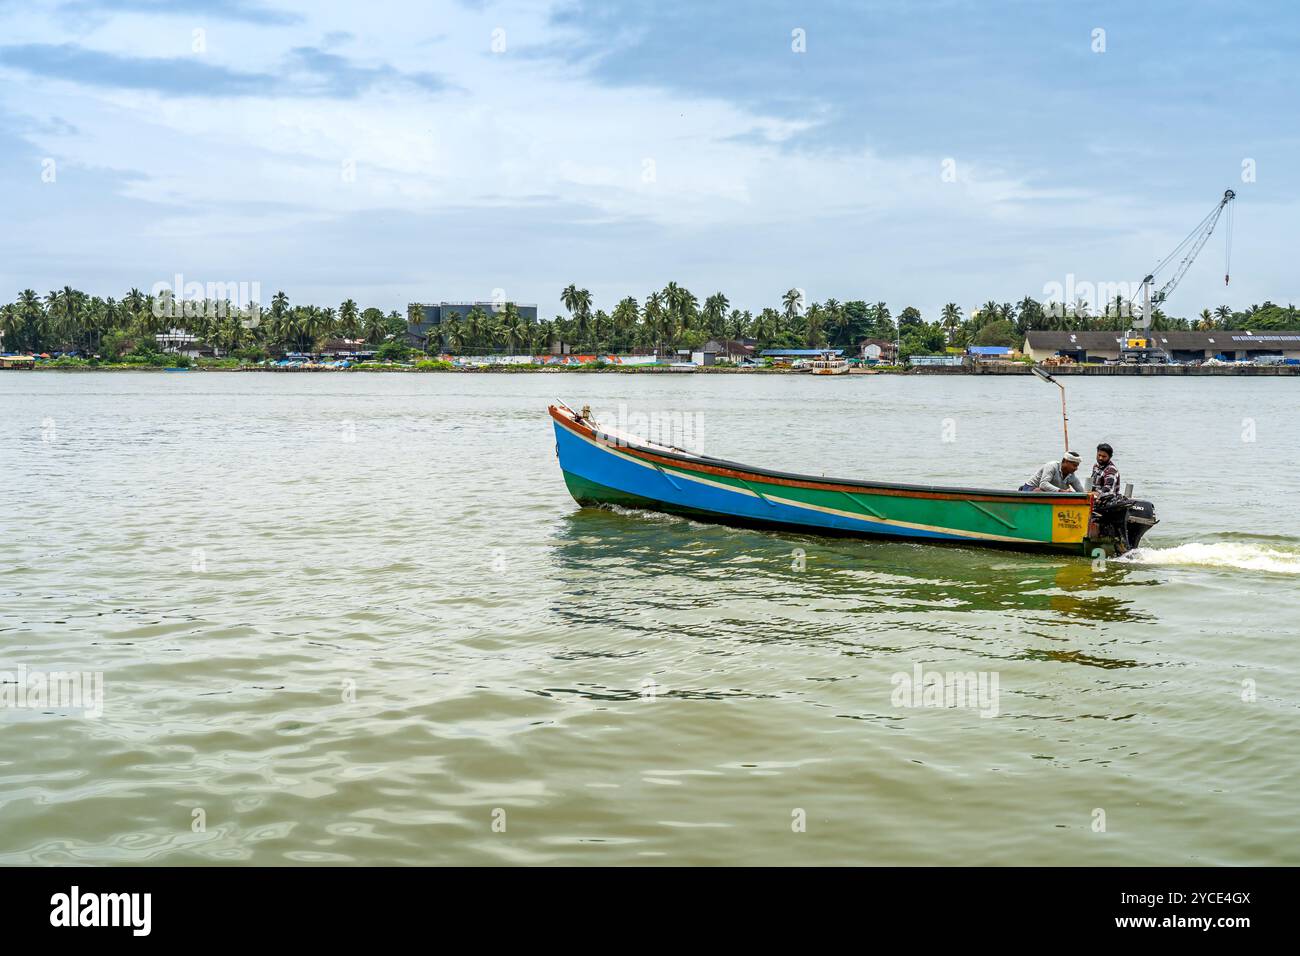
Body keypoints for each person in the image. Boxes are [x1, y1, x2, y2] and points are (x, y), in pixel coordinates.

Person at [1019, 451, 1085, 492]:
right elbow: (1043, 484)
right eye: (1074, 465)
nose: (1076, 468)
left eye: (1077, 466)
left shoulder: (1071, 475)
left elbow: (1081, 491)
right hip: (1030, 489)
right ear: (1065, 462)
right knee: (1039, 491)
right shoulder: (1051, 466)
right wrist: (1061, 491)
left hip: (1050, 494)